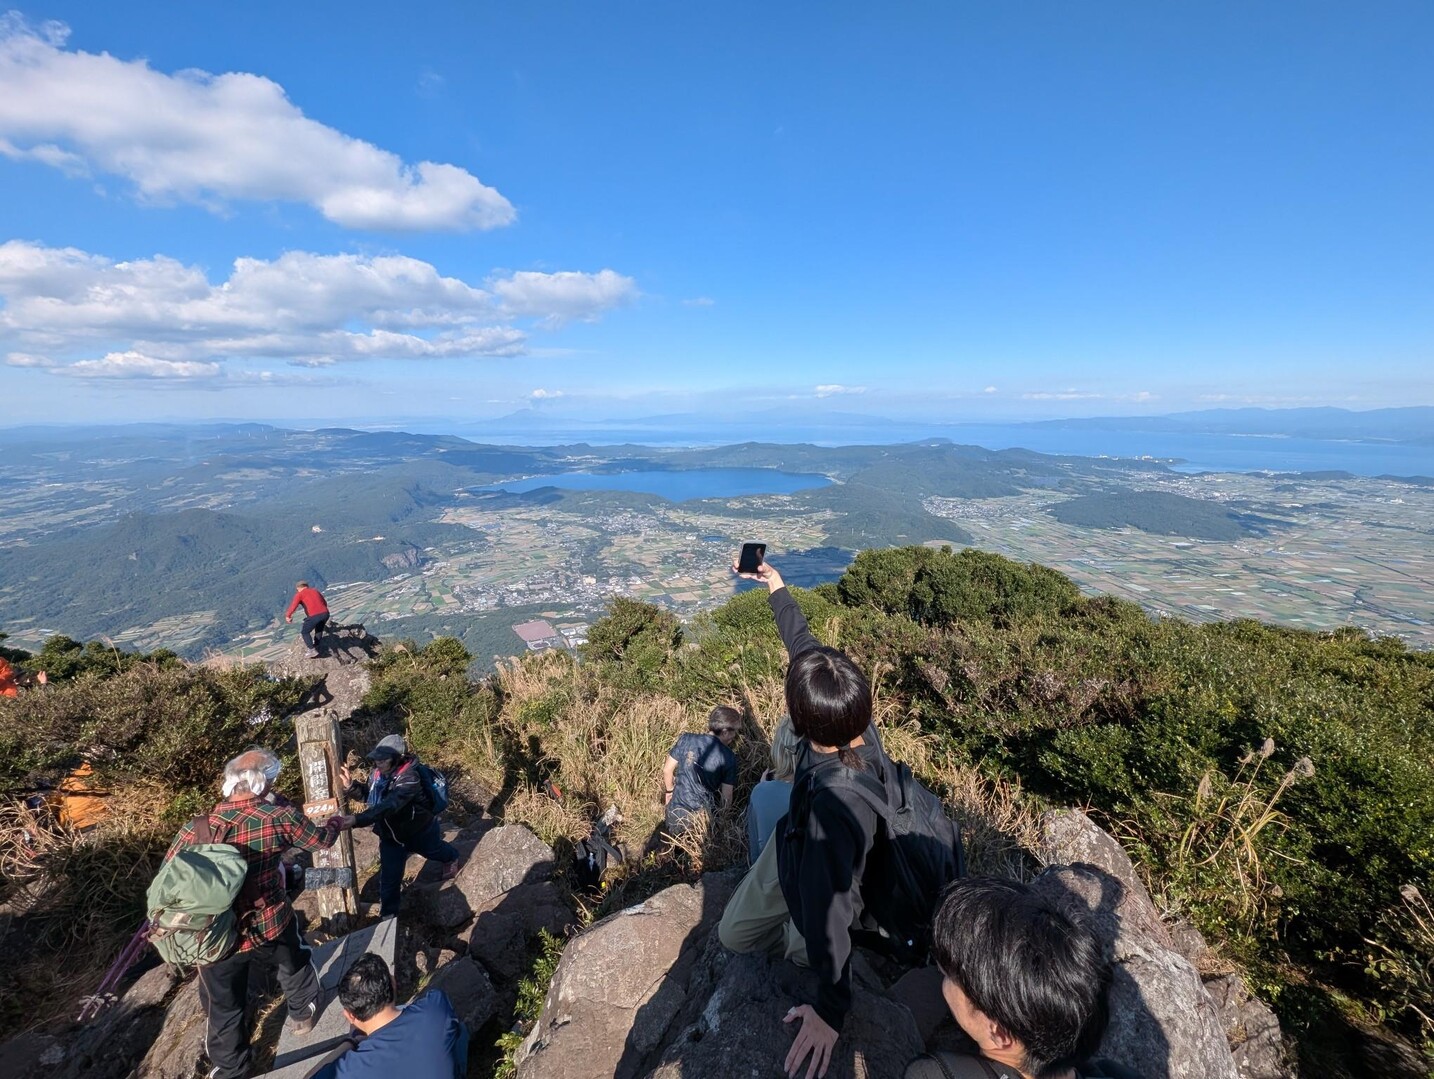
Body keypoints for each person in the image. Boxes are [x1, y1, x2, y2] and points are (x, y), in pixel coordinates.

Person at [718, 556, 888, 1079]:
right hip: (791, 851)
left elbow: (835, 900)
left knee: (777, 936)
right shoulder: (849, 717)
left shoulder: (836, 803)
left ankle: (802, 948)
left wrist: (830, 1009)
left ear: (799, 721)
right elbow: (805, 646)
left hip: (817, 871)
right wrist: (774, 584)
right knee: (733, 933)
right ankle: (797, 933)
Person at [164, 748, 342, 1079]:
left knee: (223, 1007)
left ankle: (231, 1069)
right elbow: (321, 841)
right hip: (270, 922)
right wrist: (334, 822)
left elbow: (170, 879)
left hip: (214, 936)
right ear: (262, 782)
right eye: (272, 779)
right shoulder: (276, 818)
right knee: (297, 962)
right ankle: (303, 1014)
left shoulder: (195, 829)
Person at [904, 877, 1118, 1079]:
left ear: (999, 1033)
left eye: (949, 974)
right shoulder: (1111, 1072)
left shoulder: (932, 1074)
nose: (941, 970)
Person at [334, 735, 459, 917]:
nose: (379, 762)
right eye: (377, 758)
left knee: (434, 850)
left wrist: (356, 820)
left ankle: (452, 857)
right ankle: (388, 917)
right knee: (389, 878)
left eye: (383, 759)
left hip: (418, 830)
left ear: (398, 757)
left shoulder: (410, 778)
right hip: (390, 836)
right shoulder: (377, 774)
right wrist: (350, 786)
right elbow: (370, 796)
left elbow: (389, 805)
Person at [304, 953, 468, 1079]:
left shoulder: (350, 1068)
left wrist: (351, 1041)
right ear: (393, 983)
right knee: (459, 1030)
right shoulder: (435, 1007)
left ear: (350, 1016)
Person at [662, 705, 740, 834]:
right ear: (725, 732)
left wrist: (669, 792)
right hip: (701, 819)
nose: (735, 736)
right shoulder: (729, 757)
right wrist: (722, 823)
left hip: (675, 812)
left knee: (673, 848)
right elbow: (727, 796)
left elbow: (667, 770)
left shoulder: (686, 739)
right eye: (735, 731)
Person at [747, 716, 800, 864]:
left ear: (779, 749)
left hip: (770, 881)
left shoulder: (761, 792)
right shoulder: (826, 790)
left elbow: (755, 855)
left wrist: (764, 789)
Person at [285, 580, 330, 658]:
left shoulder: (299, 594)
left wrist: (288, 616)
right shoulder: (315, 591)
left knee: (305, 632)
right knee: (319, 629)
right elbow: (324, 603)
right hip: (325, 614)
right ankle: (317, 645)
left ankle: (312, 650)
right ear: (307, 586)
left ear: (298, 588)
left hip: (314, 616)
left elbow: (293, 606)